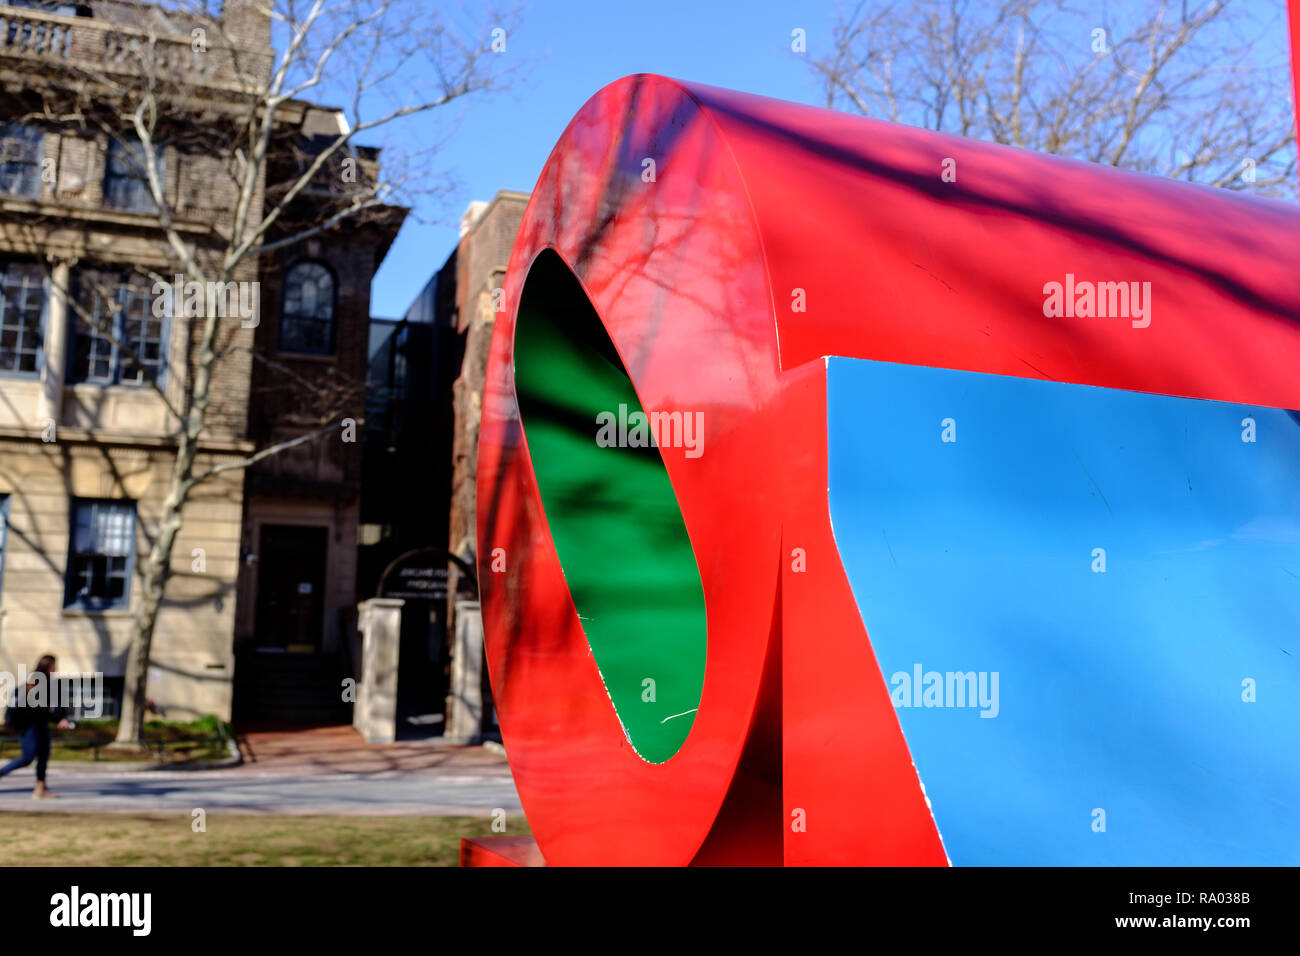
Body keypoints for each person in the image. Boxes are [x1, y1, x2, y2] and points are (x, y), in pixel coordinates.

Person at [0, 655, 72, 798]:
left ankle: (40, 788)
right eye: (53, 666)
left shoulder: (48, 683)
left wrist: (61, 717)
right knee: (27, 758)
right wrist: (57, 717)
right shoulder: (35, 683)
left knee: (44, 755)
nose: (56, 669)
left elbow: (56, 705)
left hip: (40, 725)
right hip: (28, 726)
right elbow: (38, 708)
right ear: (47, 666)